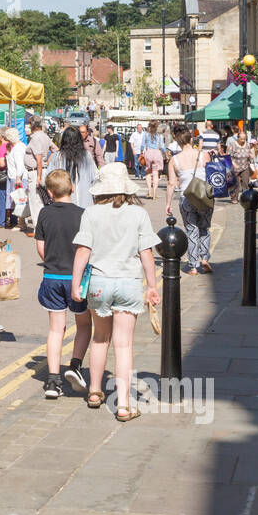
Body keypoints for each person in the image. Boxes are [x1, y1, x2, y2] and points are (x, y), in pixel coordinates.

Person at [70, 163, 161, 421]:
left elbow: (83, 251)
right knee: (124, 345)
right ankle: (123, 405)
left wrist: (76, 283)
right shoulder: (138, 214)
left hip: (100, 282)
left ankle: (95, 391)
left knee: (100, 338)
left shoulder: (91, 213)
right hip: (129, 283)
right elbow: (147, 254)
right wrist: (152, 286)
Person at [35, 169, 92, 400]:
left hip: (52, 277)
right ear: (72, 188)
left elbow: (41, 247)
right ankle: (75, 366)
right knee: (84, 325)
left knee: (56, 329)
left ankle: (52, 380)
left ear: (50, 192)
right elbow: (87, 248)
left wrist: (50, 260)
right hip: (75, 279)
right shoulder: (83, 214)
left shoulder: (44, 213)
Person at [166, 125, 213, 274]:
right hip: (204, 196)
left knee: (191, 231)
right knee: (204, 228)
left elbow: (171, 183)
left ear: (178, 142)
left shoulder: (174, 160)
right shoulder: (204, 155)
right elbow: (211, 175)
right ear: (191, 139)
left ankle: (193, 266)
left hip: (186, 198)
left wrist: (168, 203)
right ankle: (204, 258)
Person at [47, 125, 99, 209]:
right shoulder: (86, 155)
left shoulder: (57, 156)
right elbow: (95, 177)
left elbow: (49, 178)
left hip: (62, 204)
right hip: (84, 203)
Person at [25, 118, 54, 230]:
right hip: (42, 170)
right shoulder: (45, 136)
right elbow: (55, 149)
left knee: (35, 200)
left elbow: (38, 158)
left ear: (33, 126)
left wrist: (38, 177)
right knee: (42, 199)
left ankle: (39, 227)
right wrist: (47, 162)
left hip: (36, 171)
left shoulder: (36, 138)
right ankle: (43, 226)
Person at [3, 126, 31, 233]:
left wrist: (18, 178)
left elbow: (20, 165)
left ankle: (21, 223)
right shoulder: (21, 146)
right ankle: (21, 222)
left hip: (17, 177)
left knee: (19, 200)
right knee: (20, 200)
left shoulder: (17, 149)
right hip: (17, 177)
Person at [225, 126, 255, 198]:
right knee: (236, 183)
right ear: (238, 138)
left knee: (245, 182)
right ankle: (234, 197)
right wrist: (233, 163)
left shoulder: (247, 144)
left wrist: (251, 156)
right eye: (241, 139)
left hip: (245, 165)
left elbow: (250, 153)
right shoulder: (233, 144)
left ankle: (246, 197)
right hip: (235, 166)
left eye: (244, 139)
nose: (243, 140)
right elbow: (228, 156)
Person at [142, 123, 167, 199]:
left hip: (148, 153)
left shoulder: (146, 134)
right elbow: (162, 146)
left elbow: (142, 145)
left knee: (148, 172)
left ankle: (149, 190)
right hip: (157, 153)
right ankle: (155, 192)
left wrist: (141, 152)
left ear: (149, 126)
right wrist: (166, 154)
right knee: (156, 174)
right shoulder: (159, 135)